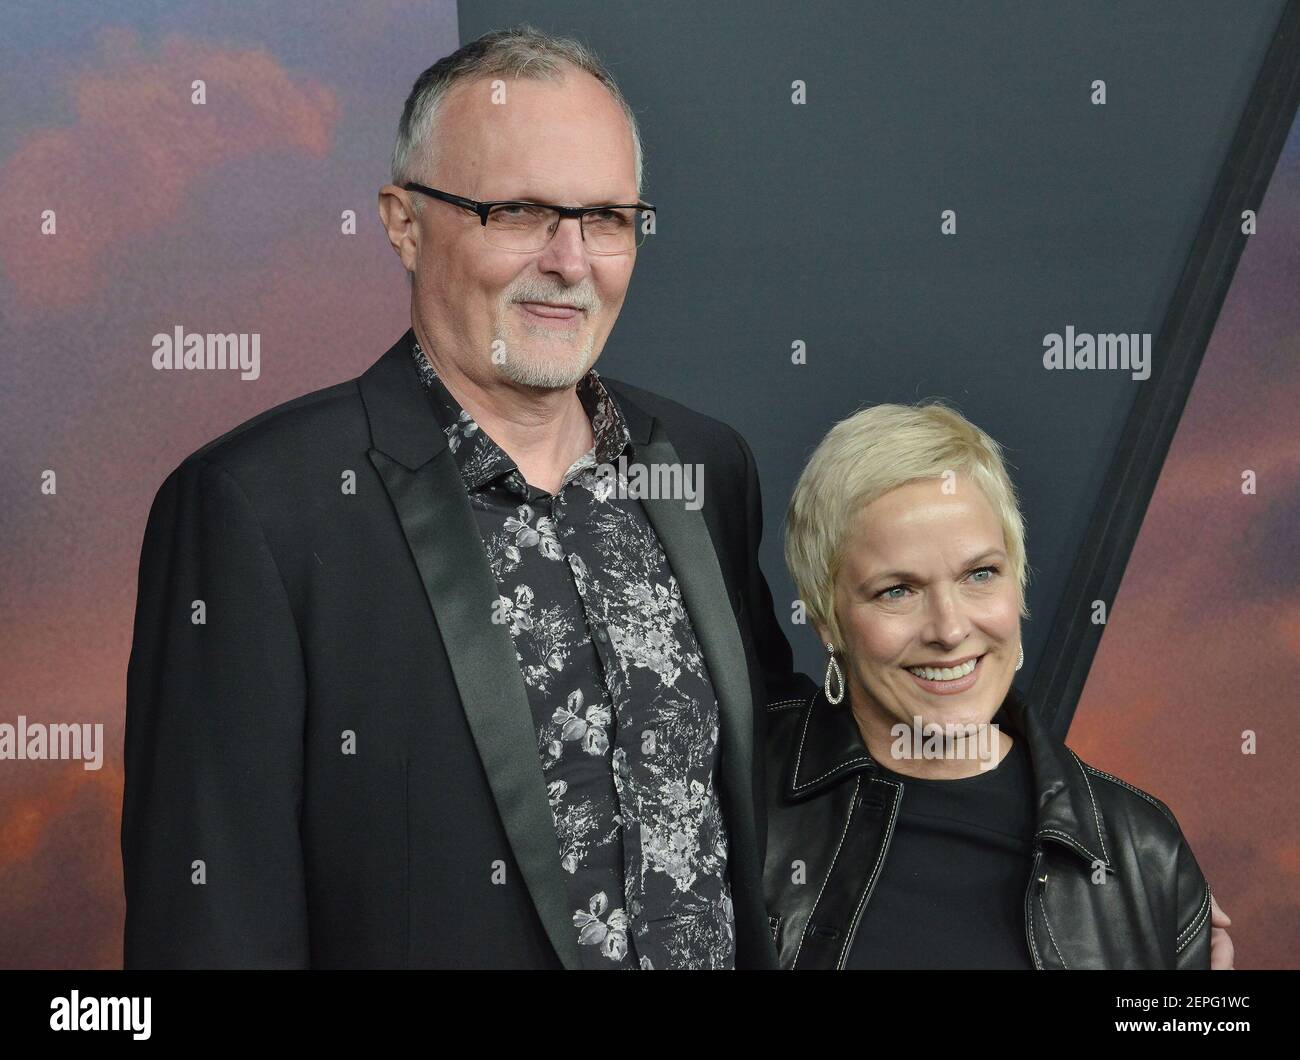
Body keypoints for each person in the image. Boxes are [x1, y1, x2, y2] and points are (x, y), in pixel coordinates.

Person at [121, 25, 803, 969]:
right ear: (404, 222)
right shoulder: (258, 509)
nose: (571, 260)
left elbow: (779, 772)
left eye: (606, 217)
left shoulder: (703, 469)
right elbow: (212, 918)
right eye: (520, 211)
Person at [764, 401, 1233, 968]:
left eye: (979, 575)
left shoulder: (1140, 851)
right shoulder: (731, 794)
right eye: (897, 590)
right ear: (826, 620)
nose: (951, 628)